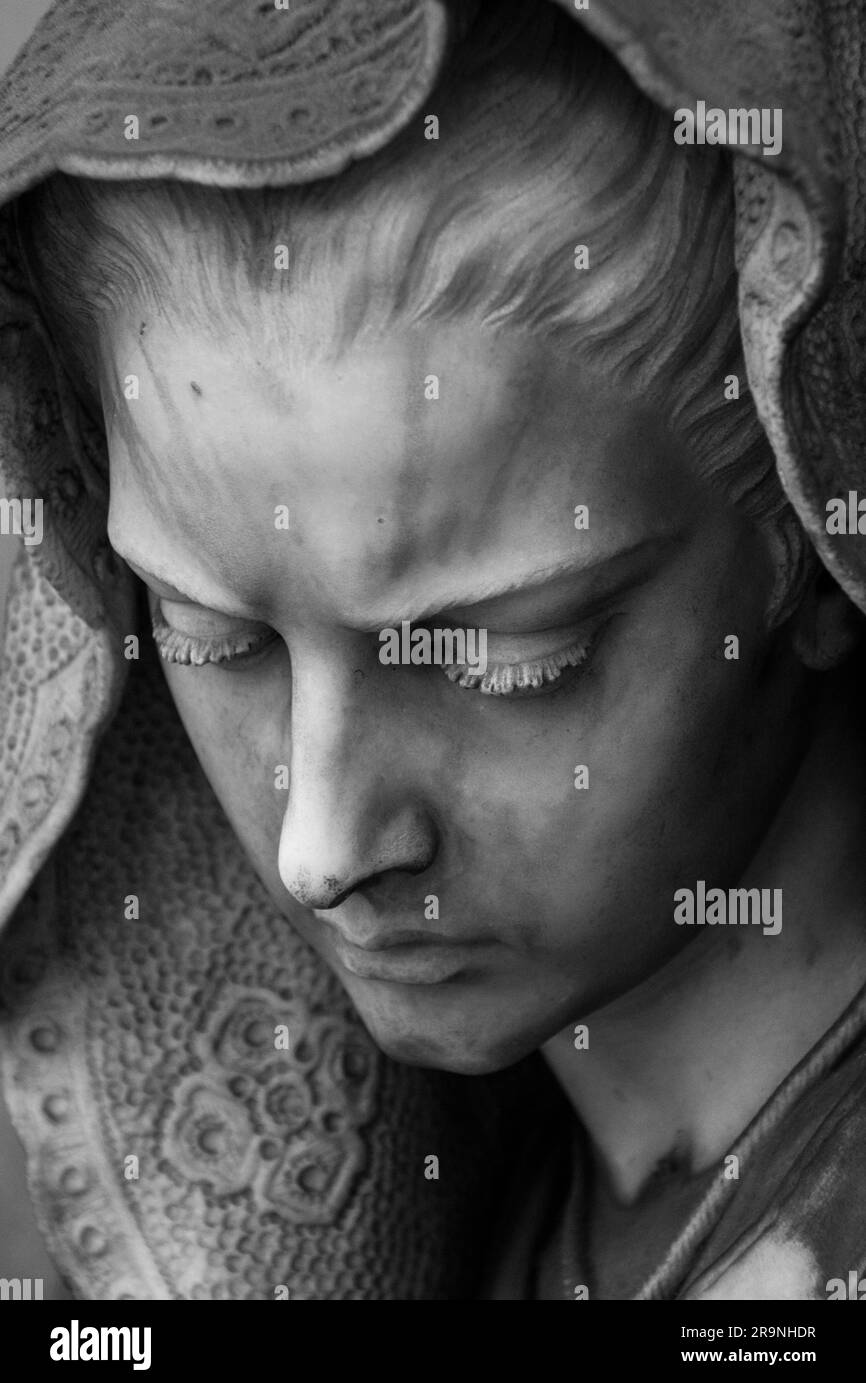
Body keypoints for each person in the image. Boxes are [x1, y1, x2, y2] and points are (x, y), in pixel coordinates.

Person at [1, 0, 865, 1300]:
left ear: (804, 531)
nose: (323, 848)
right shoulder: (491, 1206)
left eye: (498, 656)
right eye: (213, 636)